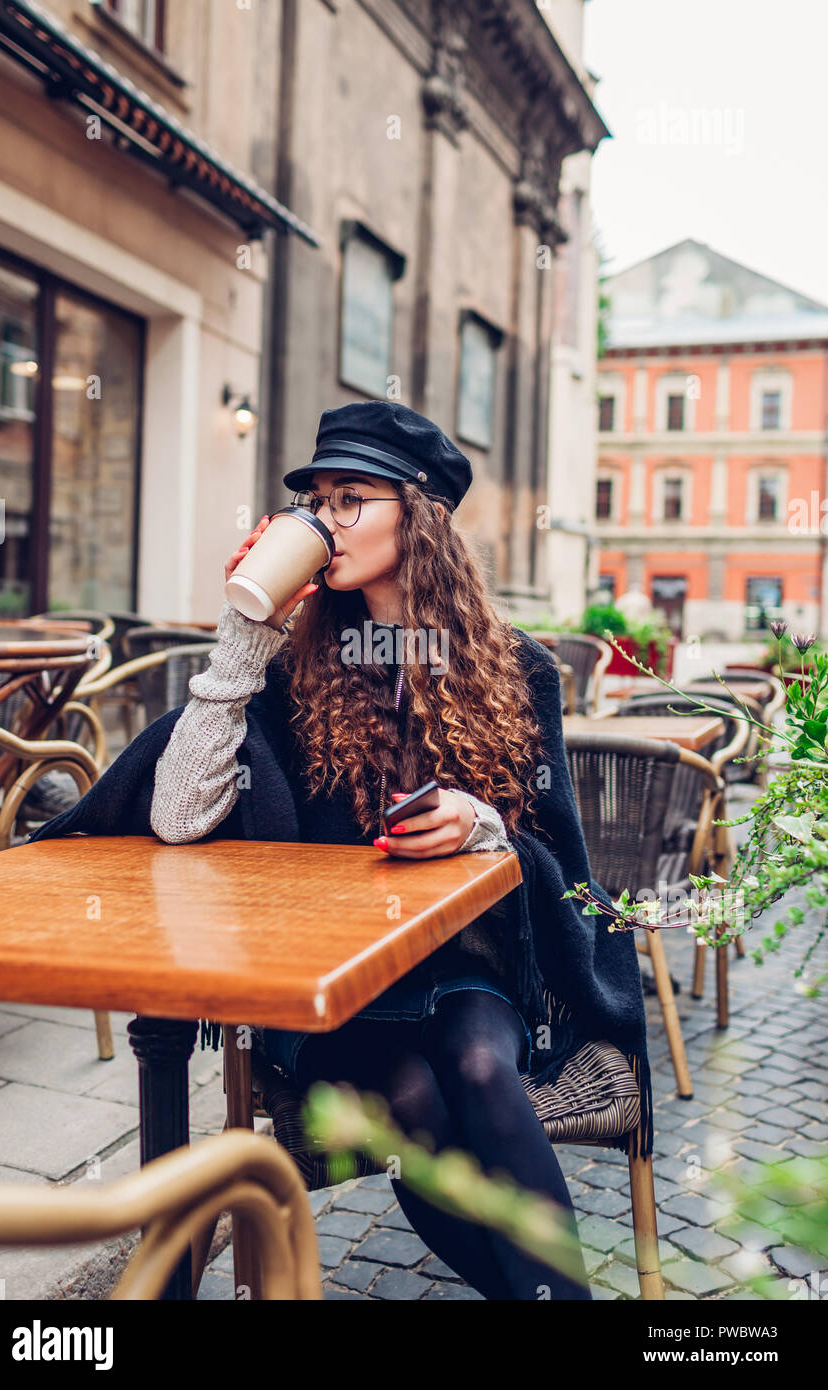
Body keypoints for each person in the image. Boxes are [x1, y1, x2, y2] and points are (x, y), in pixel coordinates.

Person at [149, 401, 601, 1301]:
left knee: (478, 1065)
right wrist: (243, 644)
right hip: (331, 986)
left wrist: (481, 824)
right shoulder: (288, 666)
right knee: (417, 1103)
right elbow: (175, 815)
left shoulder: (520, 669)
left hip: (462, 964)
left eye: (350, 498)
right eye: (314, 501)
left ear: (420, 515)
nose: (323, 523)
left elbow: (551, 852)